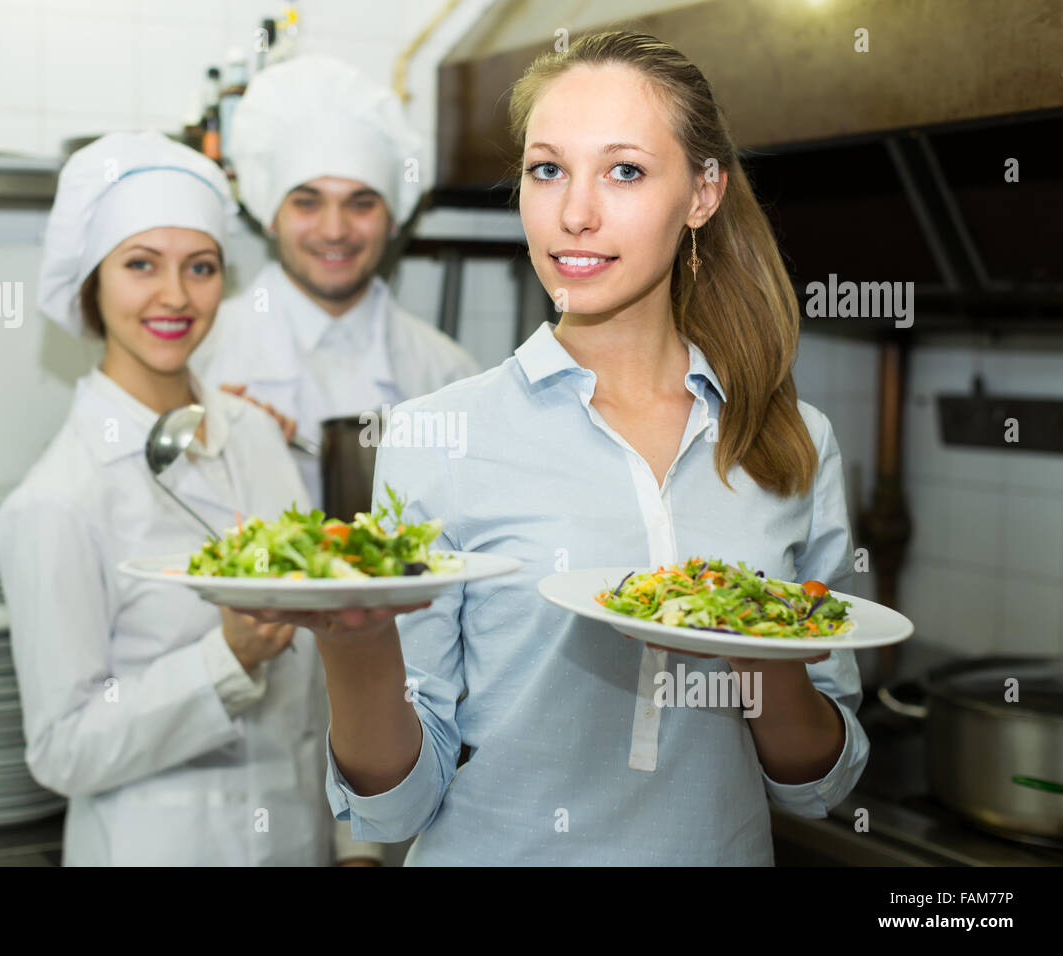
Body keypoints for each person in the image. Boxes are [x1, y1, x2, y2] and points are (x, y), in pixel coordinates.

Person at [220, 32, 871, 865]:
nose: (574, 214)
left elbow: (817, 786)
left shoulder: (792, 444)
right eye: (547, 170)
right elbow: (393, 810)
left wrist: (759, 650)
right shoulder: (435, 436)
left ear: (703, 192)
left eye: (625, 171)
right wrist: (354, 646)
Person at [0, 130, 380, 867]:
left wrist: (353, 843)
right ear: (92, 285)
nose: (175, 296)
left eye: (200, 268)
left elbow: (322, 673)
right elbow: (61, 751)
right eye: (141, 265)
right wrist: (223, 660)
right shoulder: (56, 501)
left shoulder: (257, 441)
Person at [191, 55, 480, 506]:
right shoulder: (201, 353)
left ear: (391, 220)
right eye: (307, 203)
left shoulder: (448, 373)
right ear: (271, 217)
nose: (334, 230)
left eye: (361, 204)